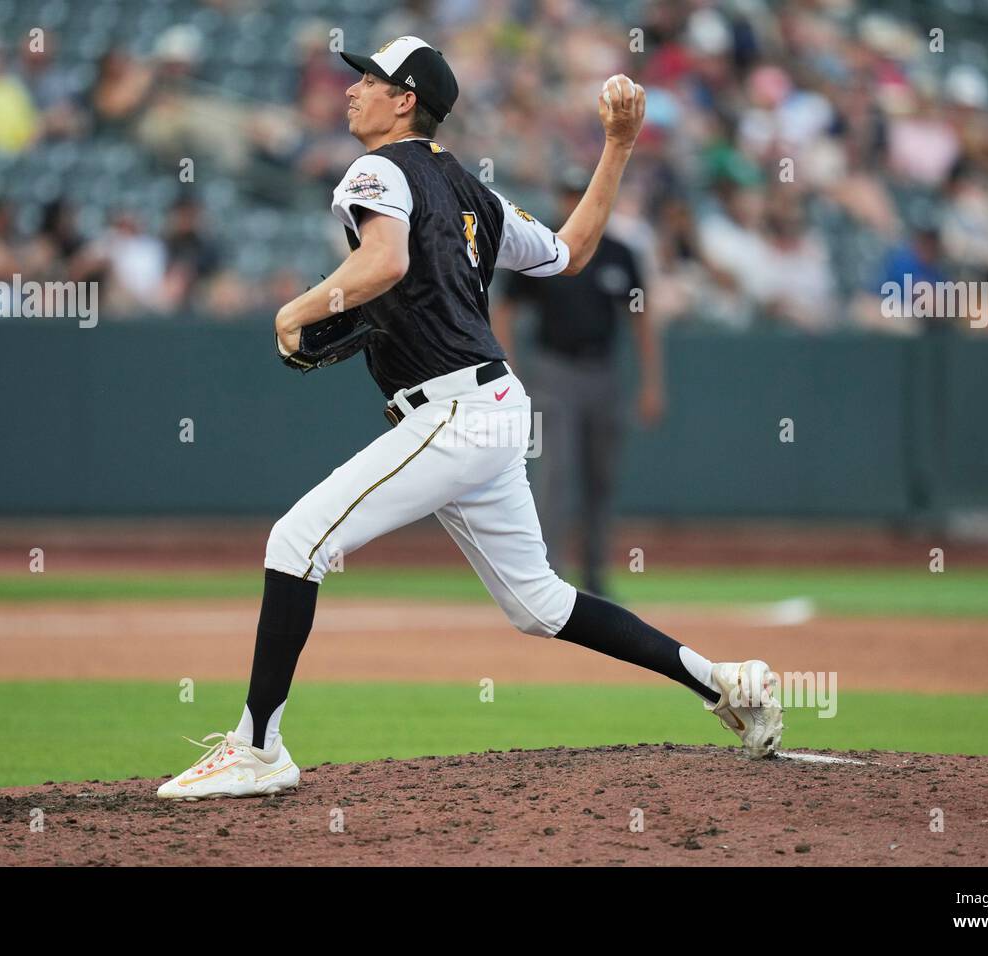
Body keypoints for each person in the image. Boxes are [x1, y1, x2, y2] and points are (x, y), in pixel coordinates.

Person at [157, 36, 783, 801]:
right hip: (489, 406)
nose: (354, 89)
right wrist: (617, 149)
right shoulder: (472, 192)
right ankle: (724, 683)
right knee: (540, 603)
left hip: (453, 411)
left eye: (371, 79)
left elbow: (383, 262)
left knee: (296, 540)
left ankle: (257, 747)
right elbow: (567, 252)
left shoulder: (374, 169)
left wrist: (298, 306)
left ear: (406, 99)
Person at [494, 167, 664, 597]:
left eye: (579, 194)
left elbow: (641, 320)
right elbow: (506, 309)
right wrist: (508, 365)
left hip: (603, 371)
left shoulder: (619, 253)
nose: (572, 203)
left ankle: (594, 577)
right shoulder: (542, 248)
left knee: (600, 478)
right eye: (567, 195)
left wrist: (651, 382)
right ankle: (547, 577)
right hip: (554, 372)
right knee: (556, 474)